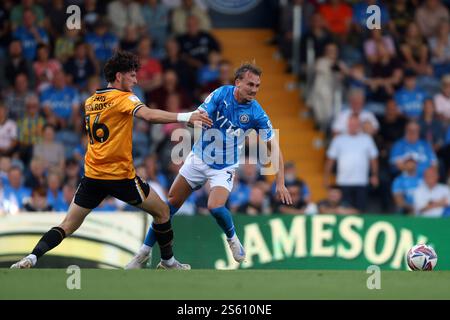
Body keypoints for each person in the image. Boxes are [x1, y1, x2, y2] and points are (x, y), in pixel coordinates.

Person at [10, 51, 212, 269]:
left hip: (93, 176)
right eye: (132, 75)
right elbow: (150, 116)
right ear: (119, 76)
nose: (136, 80)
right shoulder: (124, 98)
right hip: (120, 177)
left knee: (67, 224)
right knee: (162, 211)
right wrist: (185, 116)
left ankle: (32, 257)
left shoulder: (91, 100)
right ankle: (168, 261)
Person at [126, 62, 293, 268]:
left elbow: (274, 149)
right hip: (199, 158)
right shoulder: (220, 94)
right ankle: (144, 252)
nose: (254, 90)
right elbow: (198, 115)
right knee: (167, 207)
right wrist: (195, 119)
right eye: (250, 84)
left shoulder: (257, 113)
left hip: (223, 167)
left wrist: (281, 182)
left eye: (257, 86)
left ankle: (232, 239)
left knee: (214, 206)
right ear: (237, 82)